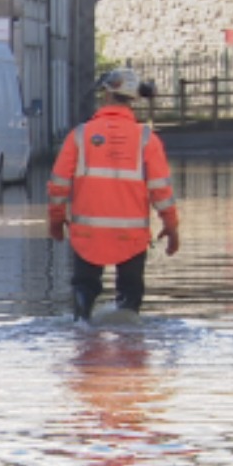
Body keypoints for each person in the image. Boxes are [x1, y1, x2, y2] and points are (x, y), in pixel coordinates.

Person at [47, 67, 180, 321]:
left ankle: (82, 324)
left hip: (88, 234)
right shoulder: (146, 140)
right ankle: (128, 341)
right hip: (131, 237)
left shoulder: (80, 136)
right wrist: (171, 227)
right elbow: (161, 191)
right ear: (134, 99)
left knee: (84, 285)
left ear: (106, 95)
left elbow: (57, 186)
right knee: (130, 294)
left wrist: (56, 221)